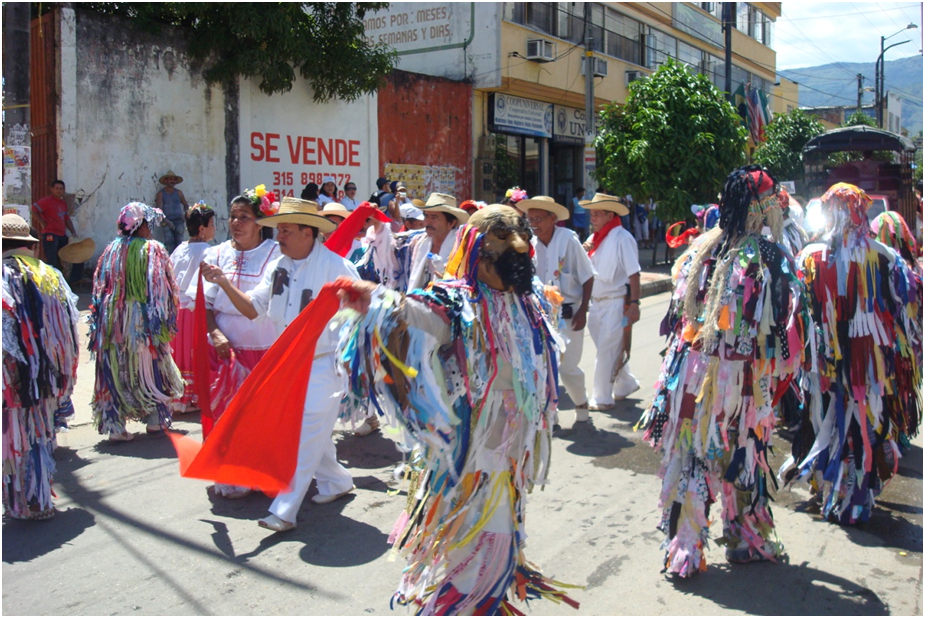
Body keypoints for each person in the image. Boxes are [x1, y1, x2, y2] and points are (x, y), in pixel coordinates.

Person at [337, 205, 577, 614]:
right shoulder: (455, 301)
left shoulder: (530, 300)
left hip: (510, 453)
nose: (518, 246)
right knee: (475, 548)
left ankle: (481, 604)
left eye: (521, 237)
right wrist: (378, 302)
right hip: (469, 457)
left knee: (498, 544)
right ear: (478, 250)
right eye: (505, 239)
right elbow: (415, 314)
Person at [638, 166, 813, 576]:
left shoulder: (701, 250)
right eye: (771, 204)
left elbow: (682, 315)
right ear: (760, 208)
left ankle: (685, 545)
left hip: (692, 371)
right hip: (740, 379)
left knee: (695, 454)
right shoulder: (769, 257)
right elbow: (787, 334)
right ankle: (744, 536)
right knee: (743, 453)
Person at [200, 197, 358, 531]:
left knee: (306, 429)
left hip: (324, 364)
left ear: (308, 232)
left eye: (285, 230)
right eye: (279, 229)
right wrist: (223, 282)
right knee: (311, 430)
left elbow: (362, 317)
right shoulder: (279, 266)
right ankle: (336, 481)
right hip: (288, 362)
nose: (279, 236)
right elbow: (253, 309)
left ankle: (285, 509)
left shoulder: (337, 268)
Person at [781, 183, 922, 526]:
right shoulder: (885, 257)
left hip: (826, 361)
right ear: (862, 212)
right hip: (866, 362)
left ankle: (831, 487)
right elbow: (907, 312)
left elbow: (796, 312)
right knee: (861, 424)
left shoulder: (809, 256)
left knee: (827, 416)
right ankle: (857, 495)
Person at [200, 189, 281, 498]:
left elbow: (259, 304)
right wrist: (214, 333)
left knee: (262, 415)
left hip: (264, 346)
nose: (236, 222)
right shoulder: (215, 253)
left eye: (244, 217)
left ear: (260, 222)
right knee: (228, 414)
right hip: (225, 349)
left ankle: (263, 469)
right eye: (232, 216)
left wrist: (224, 281)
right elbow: (205, 304)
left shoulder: (275, 253)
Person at [2, 214, 80, 520]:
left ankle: (17, 500)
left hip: (10, 376)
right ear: (28, 245)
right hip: (45, 374)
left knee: (11, 436)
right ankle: (35, 501)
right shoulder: (52, 275)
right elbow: (71, 327)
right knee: (37, 435)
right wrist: (65, 372)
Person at [89, 203, 183, 442]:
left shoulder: (109, 250)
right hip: (142, 322)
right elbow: (164, 290)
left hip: (112, 322)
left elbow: (100, 290)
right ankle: (154, 420)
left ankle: (116, 427)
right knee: (149, 367)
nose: (151, 230)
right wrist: (166, 319)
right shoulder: (153, 250)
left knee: (116, 368)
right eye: (148, 225)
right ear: (140, 225)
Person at [522, 196, 595, 421]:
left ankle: (581, 403)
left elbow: (588, 276)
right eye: (530, 218)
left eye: (539, 218)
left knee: (567, 367)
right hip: (540, 314)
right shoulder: (529, 244)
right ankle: (549, 416)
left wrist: (583, 310)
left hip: (569, 312)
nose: (534, 223)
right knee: (543, 366)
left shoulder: (568, 240)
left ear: (553, 219)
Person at [581, 193, 641, 411]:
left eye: (597, 214)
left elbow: (634, 274)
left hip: (616, 302)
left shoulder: (622, 237)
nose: (592, 218)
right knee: (609, 348)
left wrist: (634, 304)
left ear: (610, 215)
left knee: (606, 350)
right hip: (596, 304)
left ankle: (602, 397)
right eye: (592, 213)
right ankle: (626, 383)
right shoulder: (596, 239)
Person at [365, 193, 468, 293]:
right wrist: (378, 223)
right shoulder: (418, 240)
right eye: (426, 216)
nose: (427, 221)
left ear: (451, 223)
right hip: (418, 304)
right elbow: (391, 247)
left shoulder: (462, 248)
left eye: (434, 217)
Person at [168, 202, 216, 413]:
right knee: (194, 351)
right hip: (196, 310)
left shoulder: (179, 249)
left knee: (180, 352)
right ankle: (193, 395)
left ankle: (179, 396)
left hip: (178, 309)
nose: (214, 228)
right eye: (212, 224)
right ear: (202, 228)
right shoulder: (209, 251)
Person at [32, 179, 77, 271]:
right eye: (56, 188)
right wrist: (42, 222)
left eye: (61, 189)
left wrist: (73, 232)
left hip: (62, 235)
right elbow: (33, 210)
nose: (59, 190)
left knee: (64, 259)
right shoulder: (46, 201)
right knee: (52, 260)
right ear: (52, 189)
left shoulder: (63, 203)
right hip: (50, 234)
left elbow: (66, 219)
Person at [155, 171, 190, 253]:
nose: (173, 181)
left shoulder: (179, 193)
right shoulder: (161, 194)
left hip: (178, 221)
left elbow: (185, 205)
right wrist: (166, 221)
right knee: (169, 243)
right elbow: (159, 210)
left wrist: (186, 214)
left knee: (179, 244)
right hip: (166, 221)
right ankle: (169, 263)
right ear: (166, 181)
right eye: (171, 179)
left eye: (174, 180)